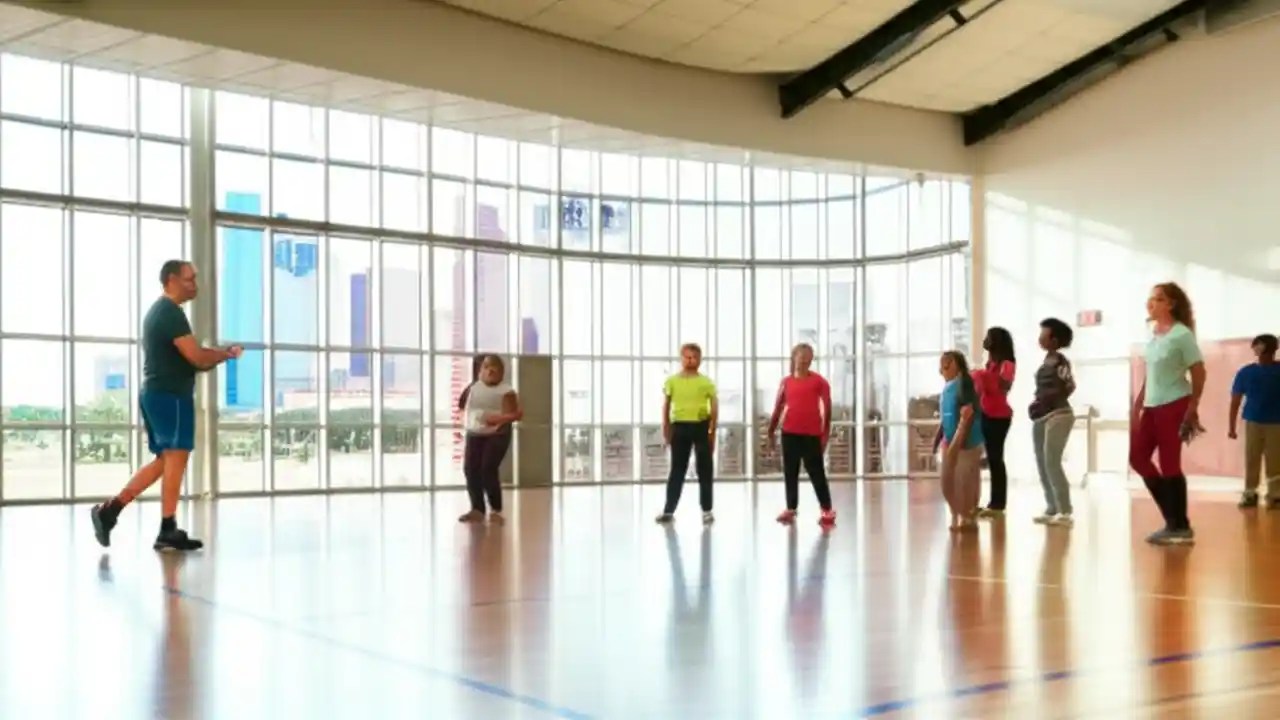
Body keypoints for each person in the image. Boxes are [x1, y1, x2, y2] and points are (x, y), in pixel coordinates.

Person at [90, 260, 241, 552]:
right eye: (189, 279)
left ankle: (110, 511)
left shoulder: (164, 313)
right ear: (171, 280)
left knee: (165, 462)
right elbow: (196, 357)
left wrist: (217, 356)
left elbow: (191, 360)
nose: (194, 285)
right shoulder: (169, 313)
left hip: (160, 394)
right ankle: (166, 529)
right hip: (169, 397)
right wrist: (226, 354)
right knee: (176, 458)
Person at [1131, 282, 1205, 545]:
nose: (1151, 303)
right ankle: (1175, 519)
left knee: (1170, 463)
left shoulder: (1181, 335)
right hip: (1152, 406)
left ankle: (1178, 526)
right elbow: (1152, 374)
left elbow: (1198, 371)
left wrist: (1193, 407)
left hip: (1175, 404)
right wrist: (1138, 404)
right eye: (1150, 298)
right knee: (1138, 458)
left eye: (1158, 299)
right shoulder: (1155, 336)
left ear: (1171, 304)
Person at [766, 343, 836, 527]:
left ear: (811, 359)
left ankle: (827, 509)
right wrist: (771, 430)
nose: (804, 359)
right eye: (800, 354)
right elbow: (778, 407)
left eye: (808, 356)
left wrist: (825, 435)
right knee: (790, 472)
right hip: (789, 433)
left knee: (817, 473)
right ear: (794, 357)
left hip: (811, 434)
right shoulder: (786, 382)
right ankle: (791, 508)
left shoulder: (820, 382)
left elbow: (827, 410)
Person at [656, 343, 718, 525]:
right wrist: (666, 426)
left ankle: (707, 511)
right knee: (677, 470)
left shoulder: (706, 382)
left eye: (695, 357)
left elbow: (714, 407)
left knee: (705, 469)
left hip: (701, 426)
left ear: (700, 359)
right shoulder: (672, 381)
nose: (691, 360)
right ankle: (668, 511)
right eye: (687, 357)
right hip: (680, 427)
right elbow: (666, 405)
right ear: (681, 358)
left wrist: (712, 430)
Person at [458, 355, 522, 525]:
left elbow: (515, 414)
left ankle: (495, 509)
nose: (491, 370)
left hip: (497, 434)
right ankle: (477, 509)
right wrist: (461, 426)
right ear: (481, 371)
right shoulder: (472, 389)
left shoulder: (506, 391)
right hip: (475, 433)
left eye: (495, 368)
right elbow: (463, 408)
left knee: (487, 468)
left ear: (501, 372)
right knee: (470, 469)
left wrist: (498, 419)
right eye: (487, 367)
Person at [1029, 317, 1077, 527]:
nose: (1040, 338)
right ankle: (1052, 507)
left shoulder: (1060, 361)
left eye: (1044, 334)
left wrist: (1048, 399)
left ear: (1055, 340)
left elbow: (1069, 385)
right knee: (1041, 462)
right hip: (1041, 416)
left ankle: (1065, 511)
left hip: (1059, 414)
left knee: (1052, 461)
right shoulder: (1045, 361)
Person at [933, 350, 985, 532]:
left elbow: (967, 414)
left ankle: (968, 517)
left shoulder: (965, 383)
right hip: (950, 442)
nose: (942, 371)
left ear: (954, 364)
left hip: (966, 444)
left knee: (965, 482)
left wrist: (957, 442)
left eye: (945, 366)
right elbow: (947, 415)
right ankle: (958, 513)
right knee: (947, 482)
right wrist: (939, 438)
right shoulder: (948, 387)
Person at [1229, 334, 1280, 508]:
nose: (1260, 352)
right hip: (1253, 421)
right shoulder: (1246, 372)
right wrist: (1231, 426)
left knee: (1275, 460)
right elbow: (1236, 399)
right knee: (1252, 458)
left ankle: (1275, 494)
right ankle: (1250, 493)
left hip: (1276, 423)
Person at [973, 327, 1016, 518]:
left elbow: (1003, 385)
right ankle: (993, 502)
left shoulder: (1007, 364)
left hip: (999, 416)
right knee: (991, 458)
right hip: (986, 413)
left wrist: (982, 375)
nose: (986, 341)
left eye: (989, 338)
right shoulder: (990, 363)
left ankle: (998, 504)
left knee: (996, 459)